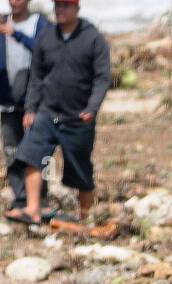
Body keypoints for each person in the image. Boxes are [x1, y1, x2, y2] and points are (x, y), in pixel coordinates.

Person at [6, 0, 109, 225]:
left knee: (80, 170)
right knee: (32, 156)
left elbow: (102, 78)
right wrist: (31, 108)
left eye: (65, 6)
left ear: (76, 9)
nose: (60, 10)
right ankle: (33, 209)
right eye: (57, 6)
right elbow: (37, 75)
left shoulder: (92, 38)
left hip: (78, 117)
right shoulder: (47, 36)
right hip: (47, 112)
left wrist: (92, 108)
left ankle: (85, 218)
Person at [0, 0, 49, 213]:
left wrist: (16, 34)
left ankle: (40, 200)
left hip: (33, 101)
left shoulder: (40, 23)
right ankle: (20, 199)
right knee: (12, 151)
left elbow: (46, 52)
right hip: (7, 99)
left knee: (36, 152)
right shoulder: (2, 22)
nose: (14, 2)